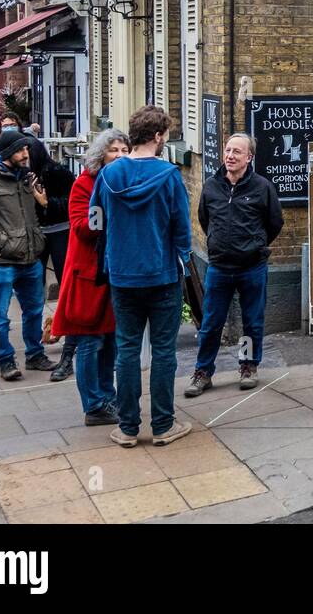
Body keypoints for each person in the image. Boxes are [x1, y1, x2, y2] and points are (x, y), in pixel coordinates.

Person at [92, 106, 193, 448]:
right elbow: (182, 229)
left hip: (121, 274)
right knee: (164, 350)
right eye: (164, 134)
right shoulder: (169, 175)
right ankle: (163, 425)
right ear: (157, 136)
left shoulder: (107, 176)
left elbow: (95, 221)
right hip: (162, 274)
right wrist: (184, 263)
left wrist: (110, 250)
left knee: (127, 350)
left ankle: (128, 428)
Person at [185, 133, 284, 398]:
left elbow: (274, 223)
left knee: (252, 322)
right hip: (219, 267)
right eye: (227, 150)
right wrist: (219, 244)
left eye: (236, 152)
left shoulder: (262, 187)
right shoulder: (211, 186)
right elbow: (204, 220)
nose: (229, 156)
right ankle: (203, 371)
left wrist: (255, 244)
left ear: (249, 157)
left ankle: (248, 366)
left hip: (252, 267)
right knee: (211, 323)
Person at [52, 129, 130, 427]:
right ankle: (93, 405)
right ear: (102, 155)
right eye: (114, 150)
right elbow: (84, 227)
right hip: (88, 276)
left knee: (110, 339)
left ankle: (107, 396)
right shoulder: (84, 185)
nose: (120, 155)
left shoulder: (126, 182)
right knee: (89, 341)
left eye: (124, 150)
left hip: (114, 273)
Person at [0, 129, 55, 381]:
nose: (26, 153)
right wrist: (3, 242)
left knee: (34, 310)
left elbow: (31, 215)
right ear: (7, 153)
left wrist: (36, 234)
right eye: (20, 150)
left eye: (26, 149)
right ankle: (6, 360)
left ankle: (35, 354)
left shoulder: (25, 178)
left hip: (30, 257)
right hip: (2, 259)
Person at [23, 137, 76, 381]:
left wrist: (45, 202)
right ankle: (40, 335)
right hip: (34, 233)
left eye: (26, 154)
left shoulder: (58, 172)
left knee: (67, 280)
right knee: (34, 283)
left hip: (60, 230)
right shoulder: (19, 175)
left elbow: (71, 204)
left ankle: (60, 327)